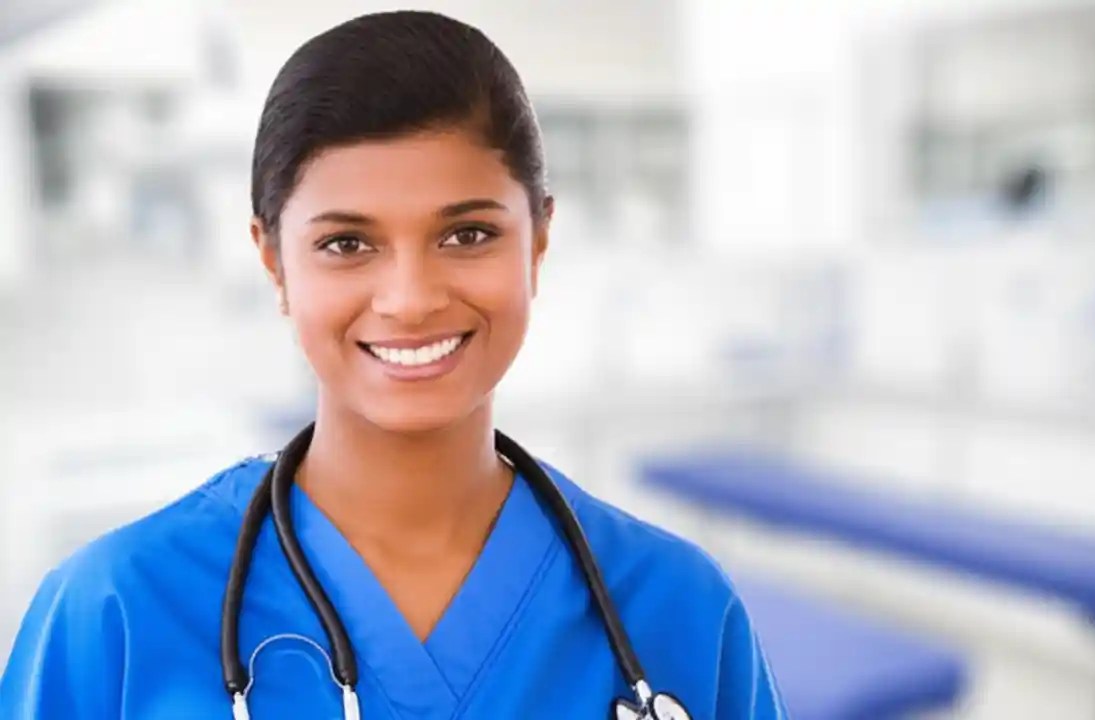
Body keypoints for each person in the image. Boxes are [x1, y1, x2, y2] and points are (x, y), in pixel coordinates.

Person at [0, 11, 786, 719]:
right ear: (274, 262)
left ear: (538, 243)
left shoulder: (680, 610)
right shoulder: (115, 615)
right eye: (346, 243)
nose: (409, 301)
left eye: (468, 235)